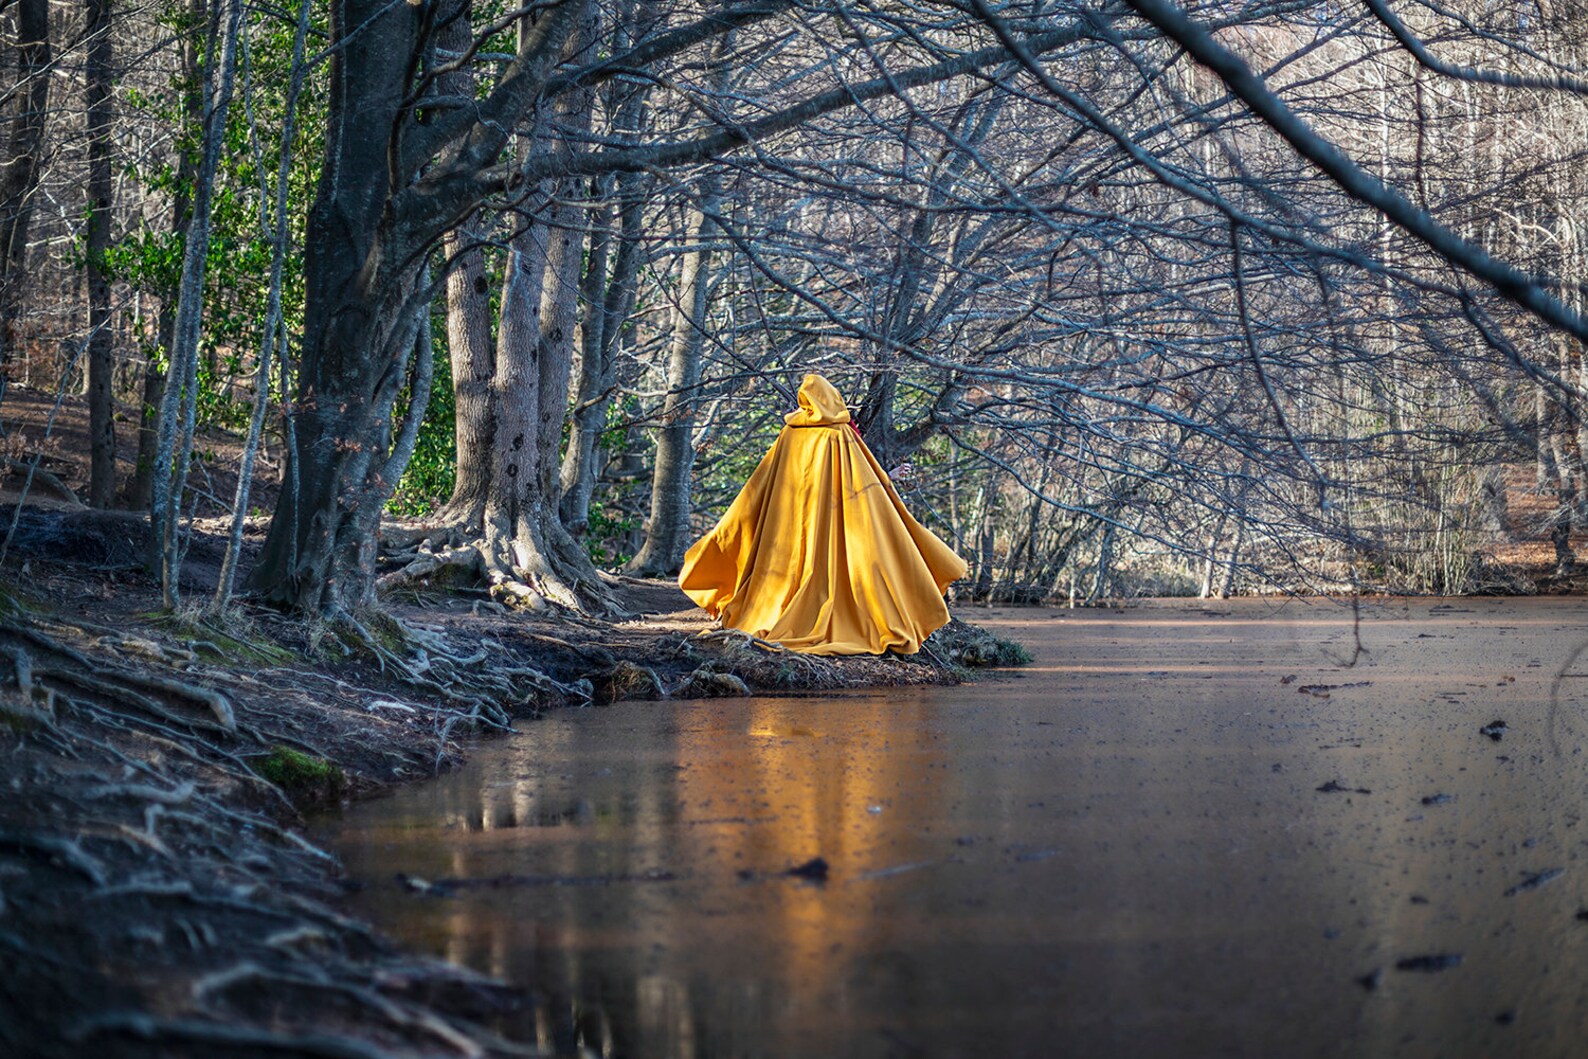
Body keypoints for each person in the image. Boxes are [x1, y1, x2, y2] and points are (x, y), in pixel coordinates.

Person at [678, 373, 967, 655]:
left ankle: (775, 610)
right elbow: (861, 483)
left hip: (788, 526)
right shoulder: (838, 434)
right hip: (836, 522)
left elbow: (762, 485)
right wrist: (887, 480)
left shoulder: (791, 434)